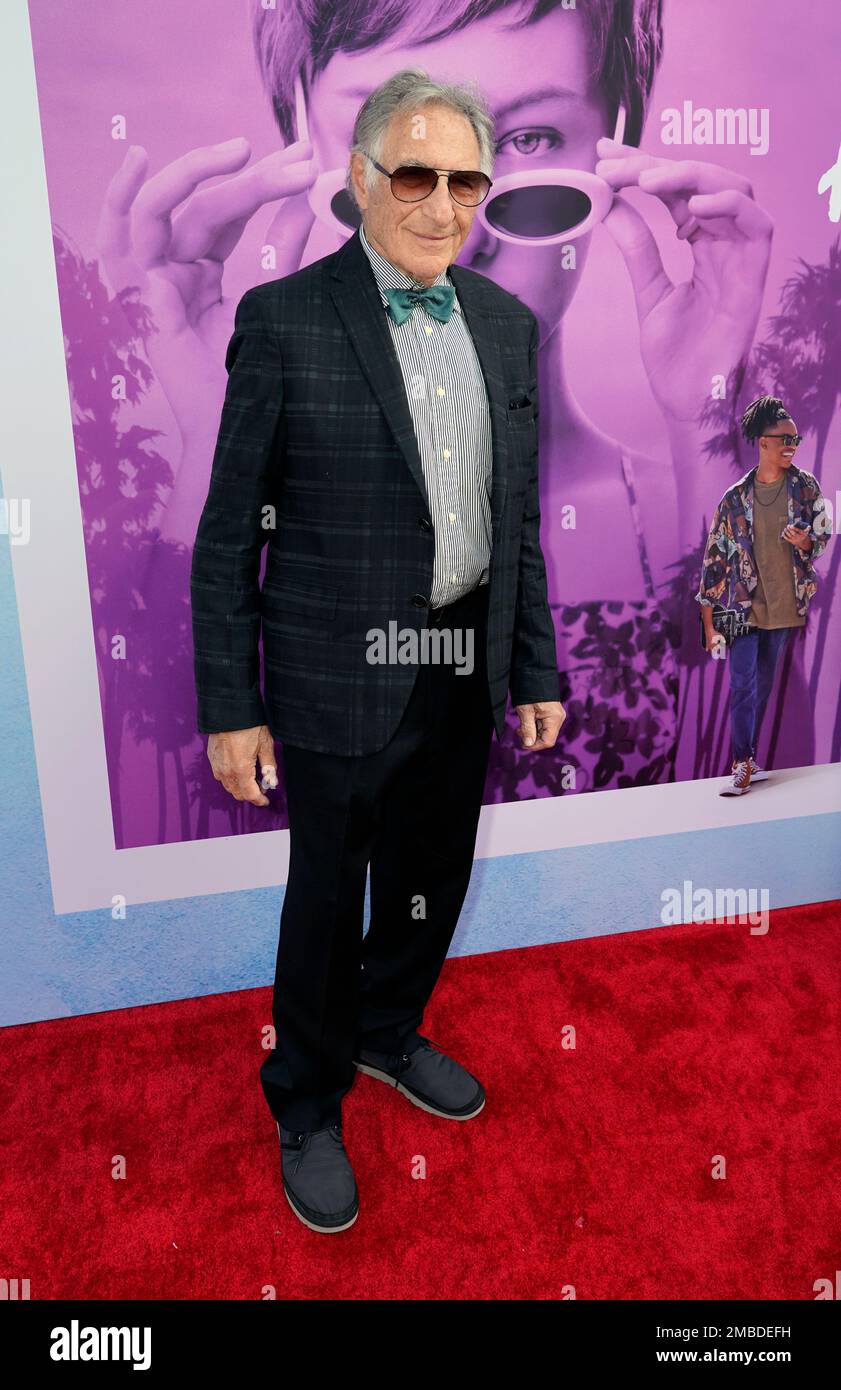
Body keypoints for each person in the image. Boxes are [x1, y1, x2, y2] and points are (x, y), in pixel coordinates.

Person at [100, 0, 775, 807]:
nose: (454, 228)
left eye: (526, 141)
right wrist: (223, 432)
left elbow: (758, 785)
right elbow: (155, 817)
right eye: (402, 147)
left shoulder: (684, 510)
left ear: (614, 139)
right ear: (308, 149)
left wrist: (704, 423)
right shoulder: (269, 528)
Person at [190, 69, 565, 1233]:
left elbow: (516, 517)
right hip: (331, 671)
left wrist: (537, 668)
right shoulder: (284, 318)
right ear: (360, 181)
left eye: (466, 180)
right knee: (322, 899)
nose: (442, 205)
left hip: (464, 658)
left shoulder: (508, 324)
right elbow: (224, 533)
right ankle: (305, 1099)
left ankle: (389, 1031)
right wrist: (229, 704)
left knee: (430, 874)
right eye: (416, 175)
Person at [696, 396, 830, 796]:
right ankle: (740, 763)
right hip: (742, 608)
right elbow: (714, 561)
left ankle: (750, 756)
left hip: (786, 605)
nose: (791, 444)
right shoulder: (735, 498)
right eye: (784, 438)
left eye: (796, 438)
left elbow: (823, 534)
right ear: (762, 442)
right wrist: (708, 624)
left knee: (764, 684)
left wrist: (806, 540)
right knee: (741, 683)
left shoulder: (806, 487)